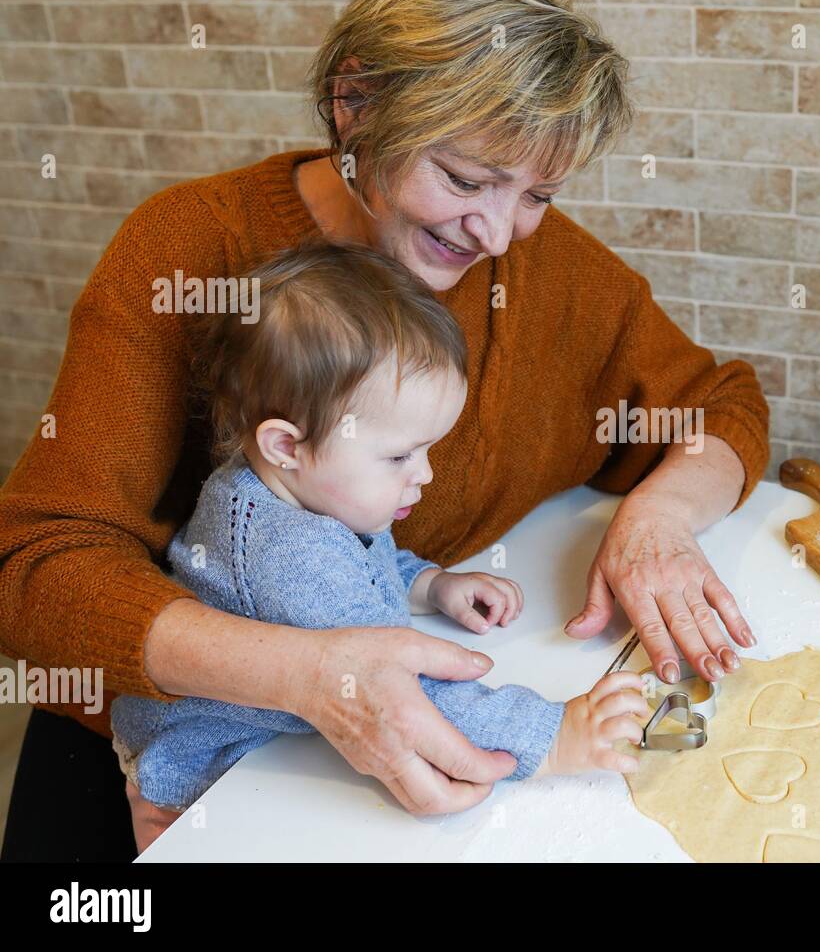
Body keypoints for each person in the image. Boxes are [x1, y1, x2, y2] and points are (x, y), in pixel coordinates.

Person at [0, 0, 768, 861]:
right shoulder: (188, 250)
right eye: (466, 179)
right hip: (164, 754)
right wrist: (307, 677)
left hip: (371, 757)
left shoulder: (550, 273)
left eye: (538, 193)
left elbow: (722, 408)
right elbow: (36, 570)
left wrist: (661, 517)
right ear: (353, 104)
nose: (498, 233)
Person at [113, 241, 650, 854]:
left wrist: (428, 585)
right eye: (399, 456)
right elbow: (408, 698)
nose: (423, 475)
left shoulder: (283, 487)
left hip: (260, 741)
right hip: (203, 779)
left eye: (425, 449)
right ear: (286, 445)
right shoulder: (288, 560)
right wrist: (555, 736)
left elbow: (364, 558)